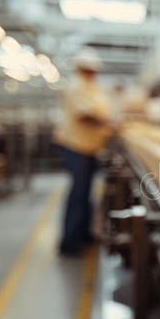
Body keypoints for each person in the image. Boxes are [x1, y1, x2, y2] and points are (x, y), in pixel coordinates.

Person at [53, 48, 117, 256]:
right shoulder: (76, 86)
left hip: (88, 147)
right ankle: (69, 242)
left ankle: (83, 235)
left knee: (85, 192)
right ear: (83, 69)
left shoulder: (90, 87)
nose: (93, 73)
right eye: (90, 69)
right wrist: (111, 124)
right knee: (79, 193)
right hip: (76, 146)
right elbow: (84, 115)